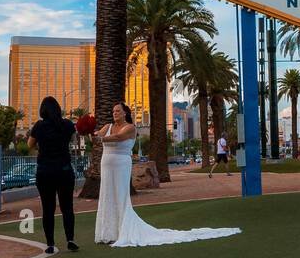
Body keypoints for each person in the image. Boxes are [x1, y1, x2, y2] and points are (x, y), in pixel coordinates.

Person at [94, 102, 240, 247]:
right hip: (106, 164)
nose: (115, 113)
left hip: (121, 165)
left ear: (125, 113)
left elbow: (119, 138)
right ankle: (107, 233)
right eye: (113, 111)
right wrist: (90, 132)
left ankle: (122, 230)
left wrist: (101, 139)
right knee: (107, 194)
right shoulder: (107, 127)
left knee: (120, 194)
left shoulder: (130, 128)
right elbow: (96, 135)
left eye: (118, 111)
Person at [27, 96, 78, 255]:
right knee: (67, 207)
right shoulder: (67, 124)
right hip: (64, 170)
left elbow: (29, 144)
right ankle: (70, 240)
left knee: (47, 208)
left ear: (43, 110)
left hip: (45, 171)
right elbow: (74, 140)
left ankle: (50, 244)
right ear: (58, 109)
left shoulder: (39, 126)